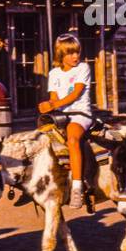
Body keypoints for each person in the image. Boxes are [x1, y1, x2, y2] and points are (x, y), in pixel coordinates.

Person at [39, 33, 92, 209]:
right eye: (70, 53)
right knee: (40, 139)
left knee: (72, 138)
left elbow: (75, 94)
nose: (75, 56)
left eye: (77, 52)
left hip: (79, 114)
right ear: (61, 54)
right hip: (60, 116)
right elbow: (54, 97)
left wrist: (54, 104)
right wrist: (48, 106)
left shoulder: (83, 68)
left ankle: (77, 186)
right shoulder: (54, 73)